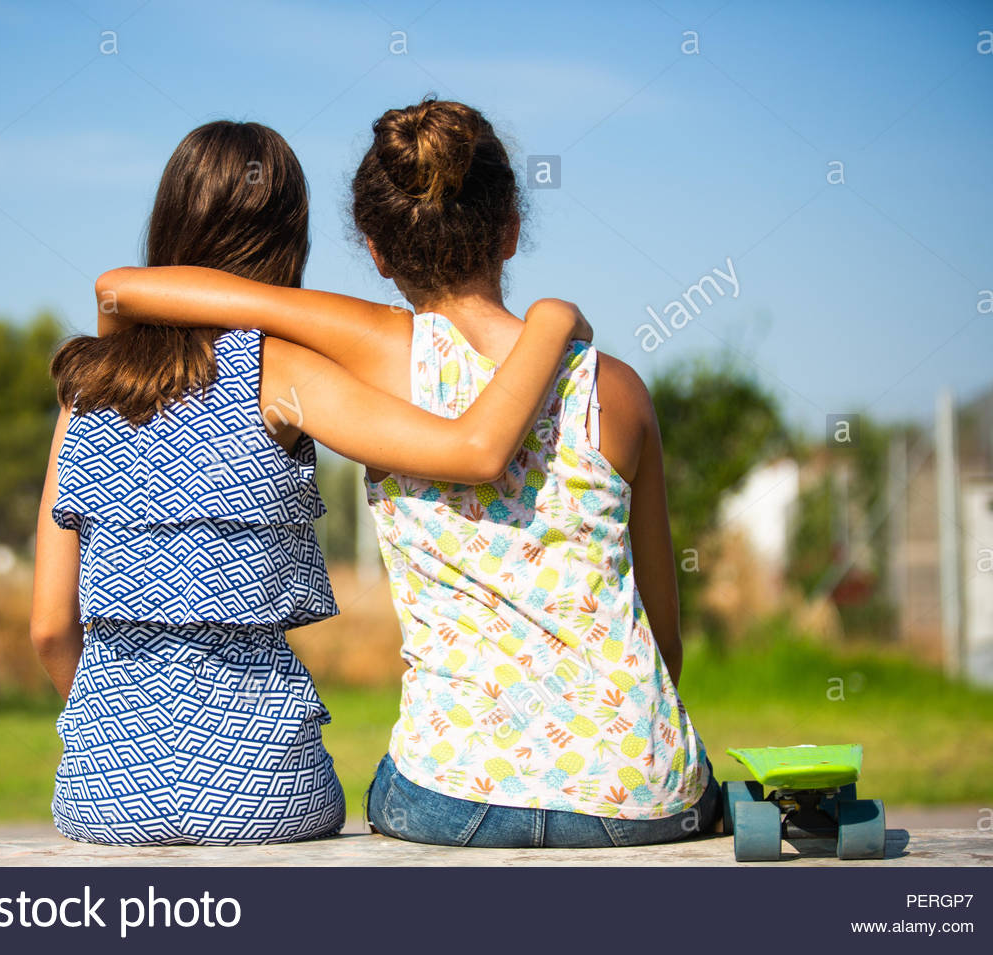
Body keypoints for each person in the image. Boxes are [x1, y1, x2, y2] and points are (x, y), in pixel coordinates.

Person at [94, 99, 717, 848]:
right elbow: (663, 638)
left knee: (385, 791)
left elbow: (125, 290)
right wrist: (554, 317)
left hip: (457, 793)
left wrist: (119, 321)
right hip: (645, 789)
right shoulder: (615, 390)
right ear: (512, 230)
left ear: (378, 252)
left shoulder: (379, 349)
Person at [30, 119, 588, 846]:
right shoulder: (280, 375)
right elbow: (470, 449)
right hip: (266, 791)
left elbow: (49, 630)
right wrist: (552, 320)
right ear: (291, 239)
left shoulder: (84, 392)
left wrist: (127, 751)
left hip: (100, 793)